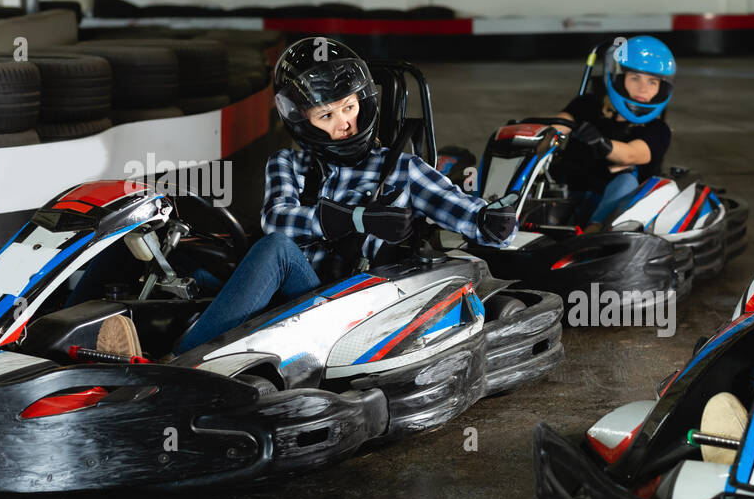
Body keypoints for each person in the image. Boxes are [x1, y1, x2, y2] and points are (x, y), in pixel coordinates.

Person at [95, 37, 518, 358]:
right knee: (177, 251)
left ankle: (178, 361)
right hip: (288, 289)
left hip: (343, 300)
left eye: (349, 107)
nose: (345, 124)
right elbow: (276, 219)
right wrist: (357, 218)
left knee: (276, 251)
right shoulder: (287, 163)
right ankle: (99, 330)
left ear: (364, 102)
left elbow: (464, 213)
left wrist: (491, 222)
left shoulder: (400, 169)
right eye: (327, 115)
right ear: (303, 121)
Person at [548, 35, 676, 227]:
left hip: (617, 211)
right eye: (635, 78)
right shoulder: (587, 106)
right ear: (618, 78)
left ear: (661, 89)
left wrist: (601, 142)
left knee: (626, 180)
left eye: (652, 82)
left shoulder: (658, 130)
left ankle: (595, 233)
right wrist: (546, 132)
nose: (643, 88)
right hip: (570, 195)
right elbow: (559, 125)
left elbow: (631, 155)